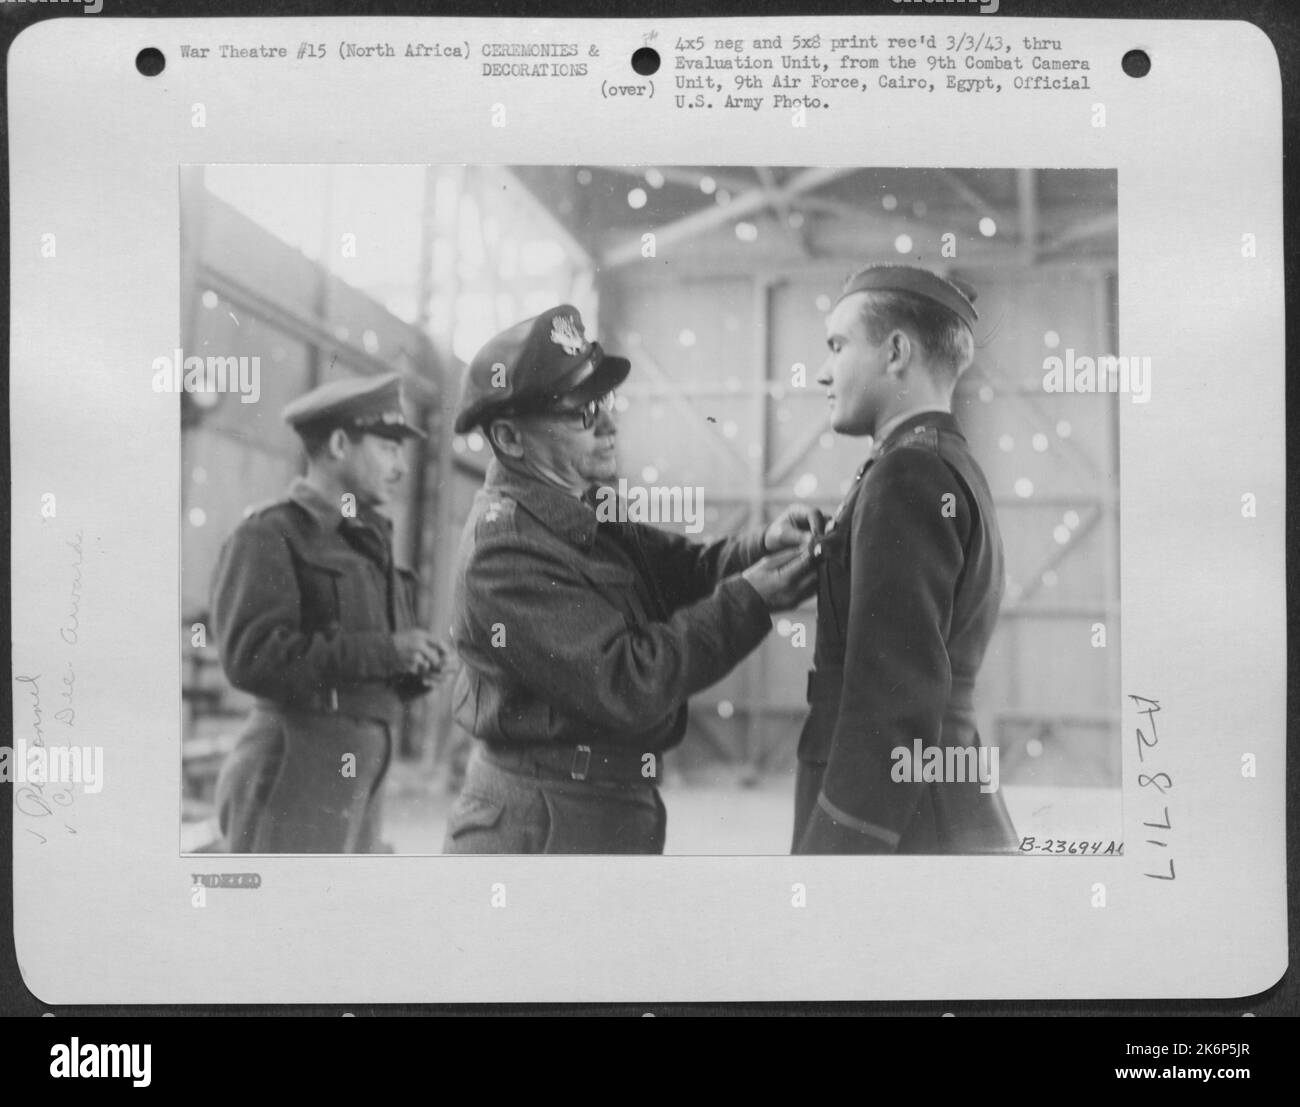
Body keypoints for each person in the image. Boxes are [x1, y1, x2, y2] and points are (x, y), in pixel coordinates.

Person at [444, 304, 817, 854]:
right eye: (580, 413)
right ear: (511, 437)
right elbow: (626, 683)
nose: (608, 423)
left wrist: (761, 546)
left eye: (604, 403)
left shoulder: (580, 506)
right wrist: (750, 600)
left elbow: (682, 571)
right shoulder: (506, 551)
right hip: (542, 825)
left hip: (594, 806)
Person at [792, 265, 1018, 854]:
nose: (821, 372)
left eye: (837, 346)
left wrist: (837, 850)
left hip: (904, 824)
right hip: (939, 798)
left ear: (896, 352)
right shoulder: (945, 462)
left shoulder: (906, 474)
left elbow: (891, 699)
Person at [211, 372, 450, 853]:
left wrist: (413, 669)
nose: (401, 467)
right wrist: (386, 653)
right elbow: (250, 658)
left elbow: (365, 664)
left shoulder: (367, 540)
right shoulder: (270, 533)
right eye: (388, 447)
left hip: (357, 782)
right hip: (295, 772)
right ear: (340, 443)